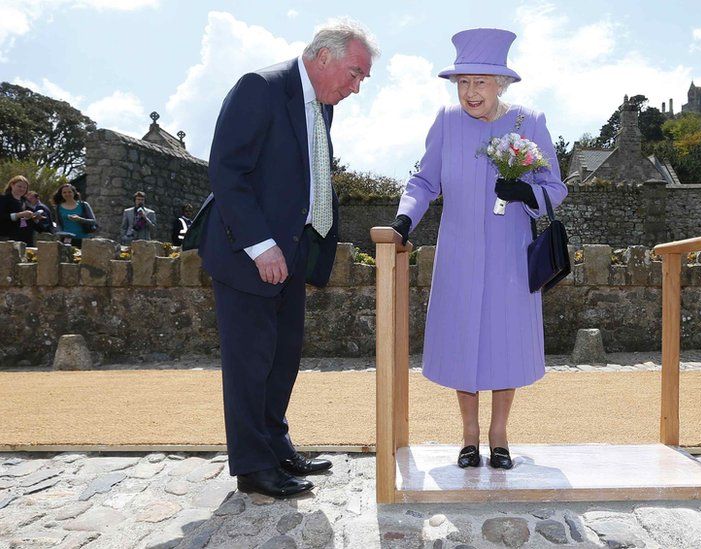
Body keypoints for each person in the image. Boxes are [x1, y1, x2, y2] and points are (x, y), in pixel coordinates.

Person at [198, 19, 379, 498]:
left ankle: (276, 446)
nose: (356, 87)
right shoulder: (260, 87)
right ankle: (254, 468)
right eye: (355, 73)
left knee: (282, 359)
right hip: (248, 255)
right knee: (249, 363)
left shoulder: (321, 106)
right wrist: (260, 246)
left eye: (362, 78)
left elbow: (307, 176)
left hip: (292, 254)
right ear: (324, 57)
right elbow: (227, 171)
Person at [389, 28, 567, 469]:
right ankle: (469, 436)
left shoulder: (530, 121)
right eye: (463, 82)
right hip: (459, 253)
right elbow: (424, 181)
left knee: (503, 344)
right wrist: (404, 218)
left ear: (501, 84)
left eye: (481, 82)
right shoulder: (446, 121)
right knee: (464, 339)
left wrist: (527, 194)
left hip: (510, 254)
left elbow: (555, 186)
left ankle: (499, 434)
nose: (470, 92)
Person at [1, 176, 44, 245]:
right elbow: (2, 217)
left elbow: (37, 226)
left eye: (25, 187)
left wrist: (36, 218)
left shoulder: (26, 202)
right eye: (19, 186)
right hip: (8, 238)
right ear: (12, 185)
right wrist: (19, 215)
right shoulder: (3, 199)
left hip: (26, 238)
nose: (22, 189)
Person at [51, 183, 97, 247]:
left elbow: (93, 221)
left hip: (84, 239)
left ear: (74, 193)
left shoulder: (83, 205)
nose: (67, 194)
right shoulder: (58, 208)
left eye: (69, 192)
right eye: (64, 192)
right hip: (67, 240)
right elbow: (59, 224)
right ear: (61, 194)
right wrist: (60, 234)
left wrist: (80, 219)